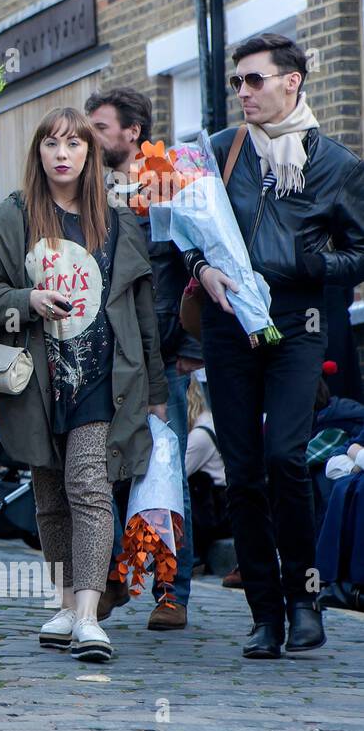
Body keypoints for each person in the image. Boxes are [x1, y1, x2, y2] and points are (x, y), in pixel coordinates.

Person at [182, 33, 364, 659]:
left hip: (298, 324)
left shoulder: (336, 165)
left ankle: (304, 598)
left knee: (286, 457)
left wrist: (316, 264)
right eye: (237, 82)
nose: (243, 92)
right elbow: (186, 229)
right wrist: (202, 272)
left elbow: (360, 251)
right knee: (242, 471)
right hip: (229, 323)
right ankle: (264, 613)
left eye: (254, 80)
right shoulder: (220, 151)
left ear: (293, 80)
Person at [0, 106, 167, 663]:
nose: (62, 154)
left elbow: (144, 312)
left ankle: (87, 614)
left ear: (89, 154)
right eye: (51, 144)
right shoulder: (13, 217)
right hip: (36, 378)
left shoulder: (119, 220)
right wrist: (25, 301)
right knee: (49, 495)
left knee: (88, 487)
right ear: (38, 154)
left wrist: (157, 392)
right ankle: (61, 603)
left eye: (74, 144)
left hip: (105, 375)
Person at [86, 88, 195, 629]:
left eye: (100, 127)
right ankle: (111, 576)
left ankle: (171, 588)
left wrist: (188, 353)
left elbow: (196, 266)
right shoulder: (88, 194)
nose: (90, 136)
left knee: (163, 467)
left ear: (132, 132)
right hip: (101, 353)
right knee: (99, 468)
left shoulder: (165, 186)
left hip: (161, 355)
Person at [184, 374, 227, 571]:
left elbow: (179, 472)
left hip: (216, 510)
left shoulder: (200, 434)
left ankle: (191, 556)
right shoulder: (209, 420)